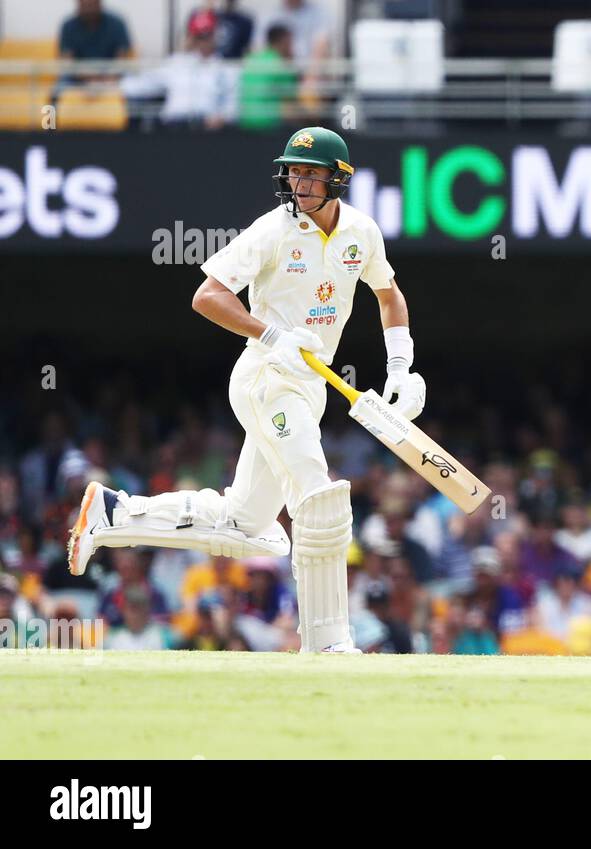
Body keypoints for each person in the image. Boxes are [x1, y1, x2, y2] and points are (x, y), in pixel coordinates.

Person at [68, 127, 426, 654]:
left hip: (311, 385)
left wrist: (400, 367)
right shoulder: (273, 231)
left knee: (245, 525)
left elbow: (389, 295)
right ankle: (328, 642)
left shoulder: (361, 233)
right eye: (294, 173)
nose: (299, 184)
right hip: (266, 377)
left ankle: (115, 514)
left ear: (338, 179)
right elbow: (207, 296)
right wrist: (270, 333)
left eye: (311, 174)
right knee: (318, 496)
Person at [118, 14, 239, 129]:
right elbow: (140, 85)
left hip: (207, 128)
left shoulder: (226, 68)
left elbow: (233, 104)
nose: (202, 41)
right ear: (190, 37)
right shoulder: (176, 63)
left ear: (215, 36)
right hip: (174, 126)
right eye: (198, 36)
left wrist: (223, 117)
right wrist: (112, 84)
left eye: (206, 35)